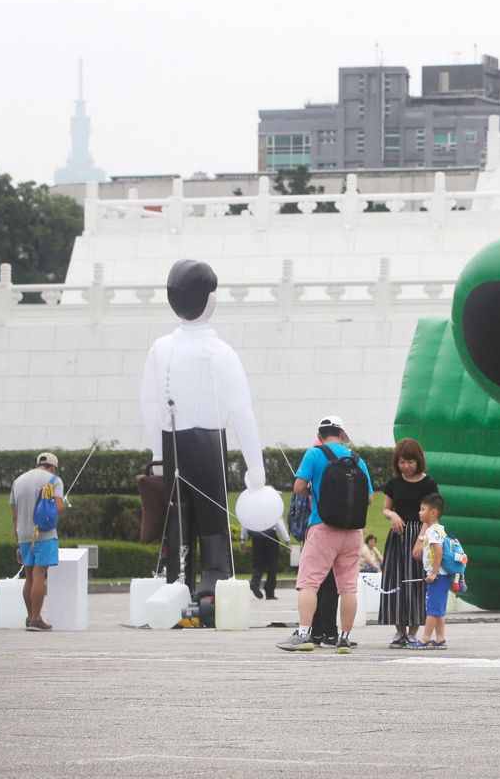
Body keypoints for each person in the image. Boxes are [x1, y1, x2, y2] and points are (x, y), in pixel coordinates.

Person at [141, 259, 266, 599]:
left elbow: (149, 403)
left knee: (178, 516)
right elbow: (242, 411)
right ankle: (214, 575)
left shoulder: (160, 348)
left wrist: (157, 452)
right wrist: (256, 466)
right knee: (212, 513)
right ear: (209, 299)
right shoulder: (219, 352)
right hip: (207, 441)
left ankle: (177, 577)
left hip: (172, 442)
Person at [277, 416, 373, 654]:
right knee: (348, 587)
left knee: (309, 583)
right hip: (353, 532)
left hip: (322, 527)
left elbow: (299, 487)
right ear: (343, 435)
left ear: (319, 436)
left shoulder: (314, 454)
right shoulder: (357, 459)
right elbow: (369, 498)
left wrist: (315, 487)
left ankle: (304, 634)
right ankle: (344, 639)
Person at [379, 438, 438, 648]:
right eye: (402, 462)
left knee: (416, 582)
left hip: (420, 534)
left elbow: (431, 515)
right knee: (395, 580)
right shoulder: (394, 483)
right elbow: (386, 509)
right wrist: (393, 516)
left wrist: (420, 540)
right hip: (398, 536)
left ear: (418, 460)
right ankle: (399, 632)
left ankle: (413, 632)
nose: (406, 466)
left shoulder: (428, 484)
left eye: (410, 462)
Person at [10, 453, 64, 631]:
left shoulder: (18, 481)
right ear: (53, 467)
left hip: (24, 535)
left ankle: (29, 617)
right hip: (44, 534)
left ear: (37, 464)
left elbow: (14, 516)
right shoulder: (54, 480)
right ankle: (36, 619)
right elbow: (57, 508)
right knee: (40, 574)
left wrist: (18, 542)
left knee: (29, 576)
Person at [410, 493, 450, 650]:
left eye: (423, 509)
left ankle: (425, 639)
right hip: (443, 575)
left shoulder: (431, 531)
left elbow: (438, 551)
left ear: (433, 512)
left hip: (437, 576)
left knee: (432, 609)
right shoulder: (440, 529)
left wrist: (433, 572)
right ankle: (440, 639)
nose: (419, 512)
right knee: (439, 609)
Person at [240, 512, 289, 599]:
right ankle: (269, 592)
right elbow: (280, 524)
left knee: (258, 563)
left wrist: (243, 539)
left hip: (256, 538)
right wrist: (287, 541)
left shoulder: (252, 509)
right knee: (272, 566)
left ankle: (255, 582)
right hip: (271, 538)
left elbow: (245, 523)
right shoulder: (272, 508)